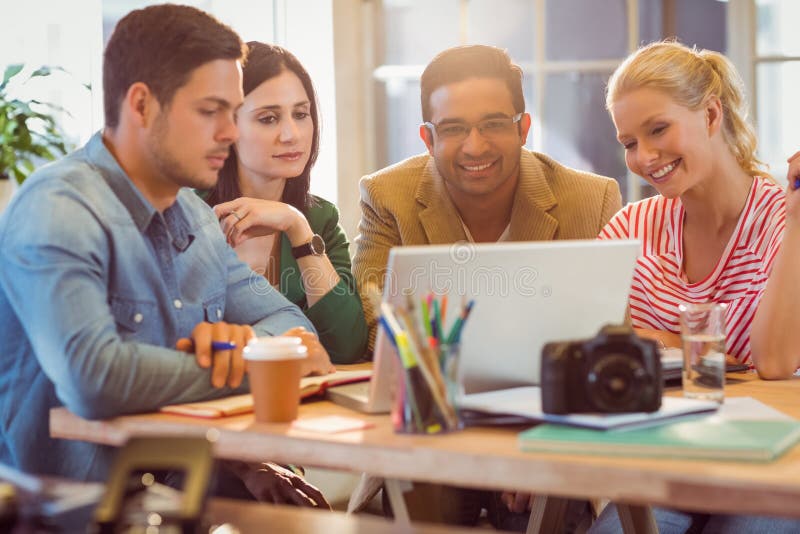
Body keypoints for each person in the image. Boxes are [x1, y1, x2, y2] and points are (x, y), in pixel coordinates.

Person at [0, 5, 328, 508]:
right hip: (66, 509)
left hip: (178, 493)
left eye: (233, 110)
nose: (231, 132)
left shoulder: (196, 220)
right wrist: (245, 361)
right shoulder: (59, 208)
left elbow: (290, 325)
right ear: (142, 105)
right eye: (210, 110)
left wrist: (244, 361)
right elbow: (96, 379)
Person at [351, 44, 622, 531]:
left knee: (556, 511)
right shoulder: (387, 196)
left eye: (494, 124)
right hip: (432, 430)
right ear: (428, 138)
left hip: (548, 433)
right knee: (418, 505)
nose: (475, 146)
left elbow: (603, 344)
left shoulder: (590, 198)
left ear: (523, 128)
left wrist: (537, 449)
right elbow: (380, 337)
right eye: (454, 129)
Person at [593, 40, 800, 533]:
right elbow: (595, 342)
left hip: (775, 457)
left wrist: (798, 221)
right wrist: (712, 348)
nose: (644, 157)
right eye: (628, 143)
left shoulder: (781, 222)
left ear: (710, 115)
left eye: (658, 129)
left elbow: (773, 362)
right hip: (666, 453)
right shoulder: (632, 228)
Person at [204, 42, 367, 366]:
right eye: (268, 118)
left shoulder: (318, 218)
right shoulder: (188, 213)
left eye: (301, 114)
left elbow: (347, 346)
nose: (291, 134)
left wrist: (296, 226)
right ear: (229, 128)